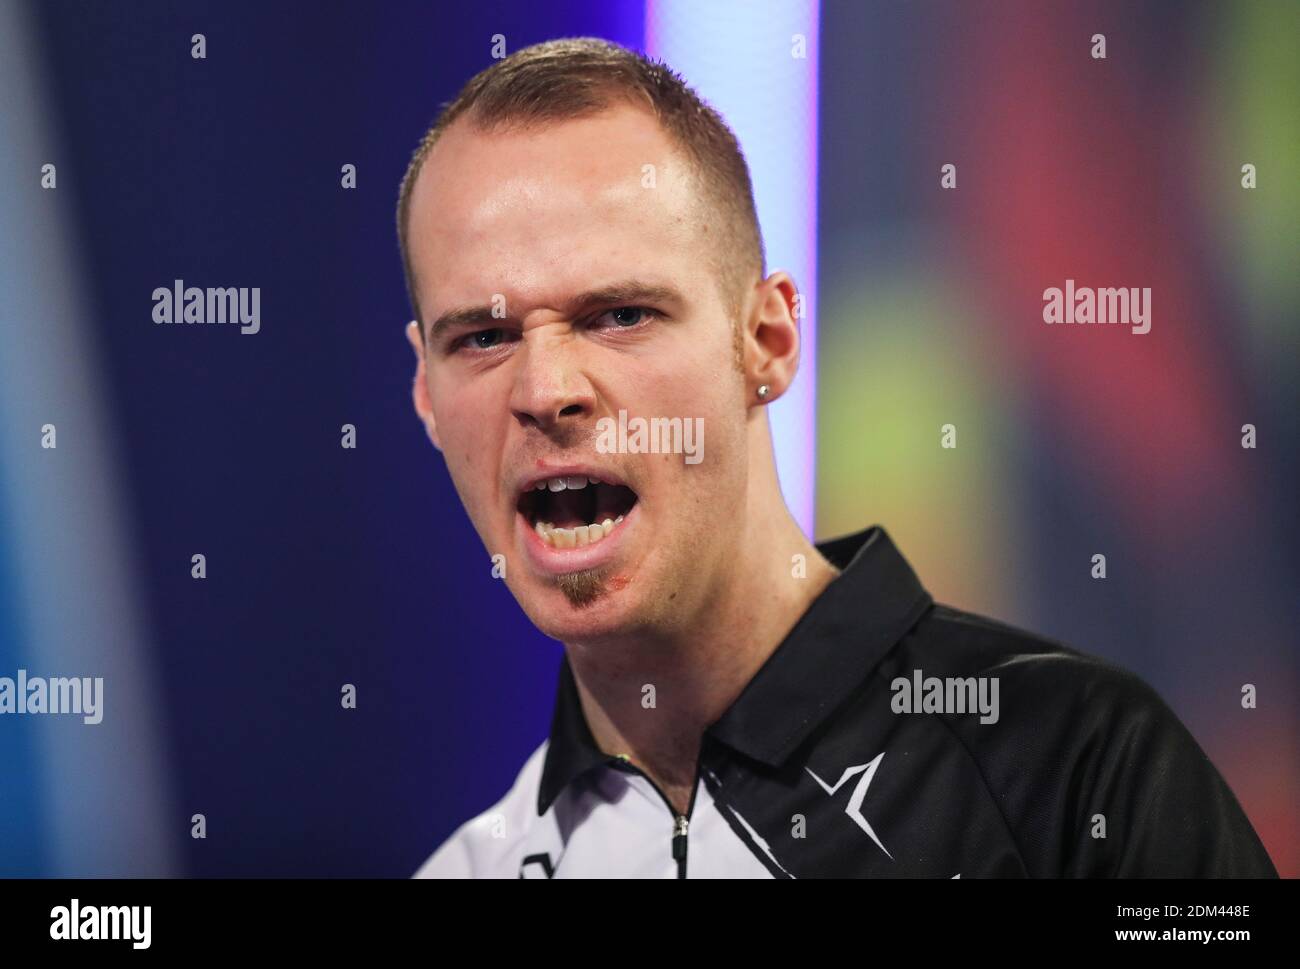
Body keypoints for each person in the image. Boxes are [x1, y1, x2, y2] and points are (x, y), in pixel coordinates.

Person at [397, 37, 1277, 878]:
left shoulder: (1081, 774)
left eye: (619, 315)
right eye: (481, 336)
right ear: (428, 399)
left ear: (768, 341)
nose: (545, 389)